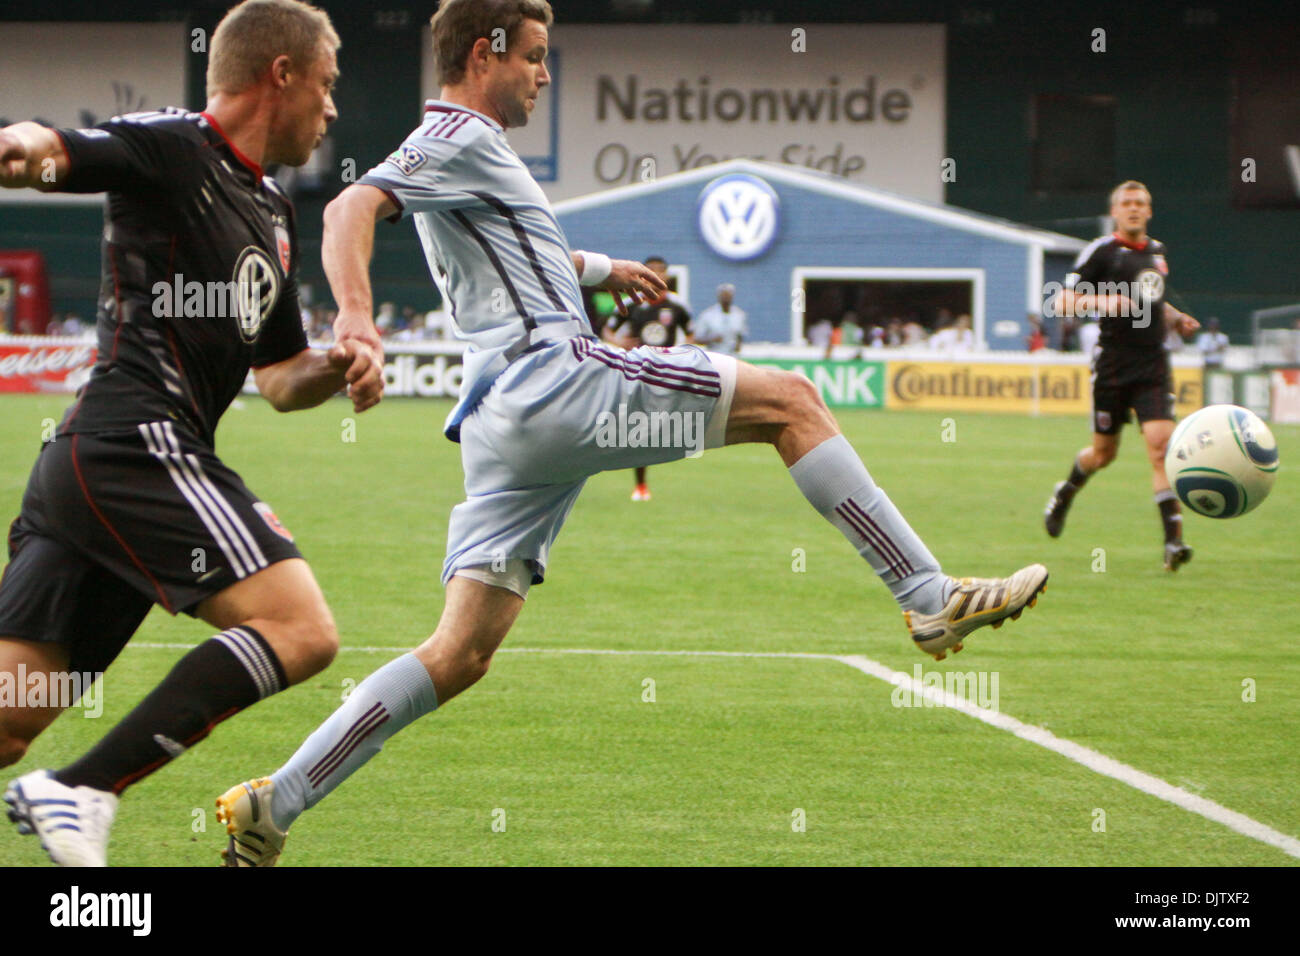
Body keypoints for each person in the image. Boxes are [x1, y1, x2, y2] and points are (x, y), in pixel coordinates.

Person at [214, 0, 1048, 866]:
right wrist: (358, 320)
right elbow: (351, 206)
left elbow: (521, 254)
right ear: (482, 50)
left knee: (458, 653)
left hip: (504, 419)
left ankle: (277, 801)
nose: (545, 74)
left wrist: (605, 269)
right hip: (552, 381)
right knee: (793, 401)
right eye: (534, 56)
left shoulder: (478, 153)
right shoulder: (455, 135)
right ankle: (926, 598)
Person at [0, 0, 383, 867]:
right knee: (302, 629)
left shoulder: (273, 217)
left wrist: (339, 361)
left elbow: (281, 382)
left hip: (96, 479)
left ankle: (67, 783)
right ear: (278, 75)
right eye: (325, 86)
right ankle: (84, 790)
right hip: (137, 442)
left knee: (8, 722)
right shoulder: (176, 144)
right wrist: (18, 149)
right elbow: (57, 150)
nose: (332, 110)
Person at [1043, 180, 1200, 570]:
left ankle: (1173, 543)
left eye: (1140, 203)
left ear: (1149, 211)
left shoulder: (1157, 252)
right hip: (1112, 367)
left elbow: (1153, 301)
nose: (1133, 208)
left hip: (1153, 364)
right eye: (1126, 203)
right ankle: (1065, 493)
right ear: (1115, 211)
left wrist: (1176, 319)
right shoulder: (1101, 252)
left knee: (1161, 448)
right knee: (1103, 454)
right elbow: (1060, 302)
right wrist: (1103, 300)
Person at [600, 254, 693, 500]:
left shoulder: (676, 306)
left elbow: (692, 333)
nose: (657, 275)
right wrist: (618, 341)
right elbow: (607, 330)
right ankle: (640, 484)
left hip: (669, 370)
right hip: (639, 370)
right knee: (641, 426)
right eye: (651, 270)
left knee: (667, 426)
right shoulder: (632, 304)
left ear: (666, 275)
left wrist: (684, 352)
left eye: (660, 271)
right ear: (643, 274)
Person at [694, 283, 747, 357]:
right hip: (715, 356)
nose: (726, 298)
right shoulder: (708, 315)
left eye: (728, 295)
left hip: (733, 356)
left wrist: (738, 345)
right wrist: (712, 339)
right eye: (724, 295)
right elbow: (697, 338)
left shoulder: (739, 315)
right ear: (719, 296)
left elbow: (740, 334)